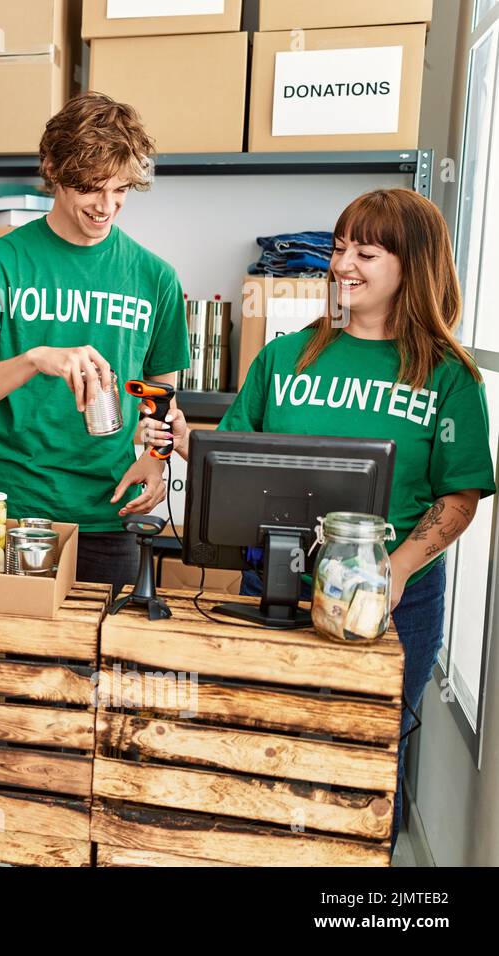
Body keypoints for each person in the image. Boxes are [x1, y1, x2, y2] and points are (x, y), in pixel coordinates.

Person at [150, 188, 496, 847]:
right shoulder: (285, 356)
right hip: (274, 591)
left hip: (393, 605)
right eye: (339, 248)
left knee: (361, 773)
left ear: (412, 267)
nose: (343, 265)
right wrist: (179, 438)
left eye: (366, 252)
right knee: (264, 754)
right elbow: (235, 458)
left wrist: (387, 574)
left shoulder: (450, 376)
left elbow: (459, 500)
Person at [0, 92, 190, 590]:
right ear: (53, 168)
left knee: (94, 664)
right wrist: (35, 358)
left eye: (120, 190)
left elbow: (161, 402)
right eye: (91, 189)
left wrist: (155, 460)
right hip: (7, 512)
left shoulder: (155, 278)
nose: (106, 207)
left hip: (108, 511)